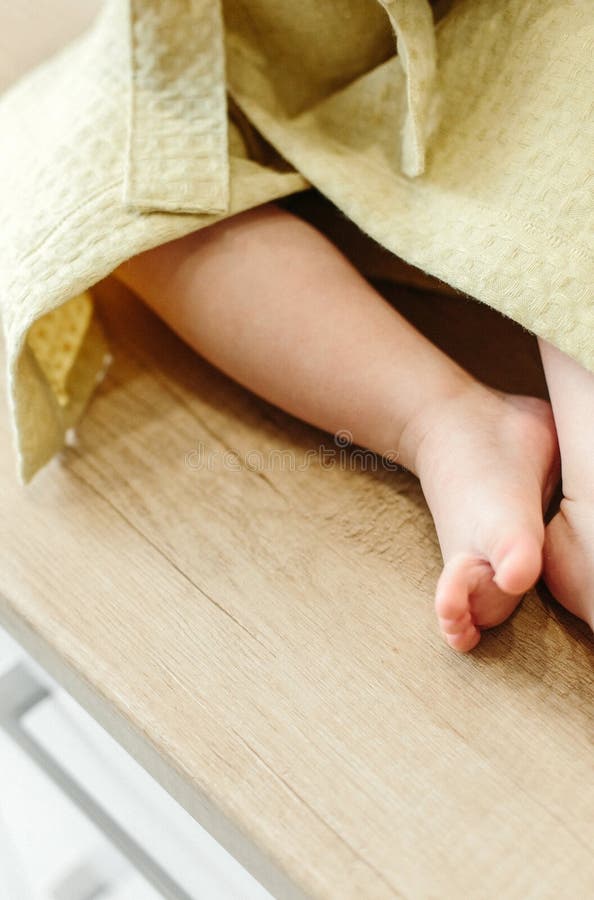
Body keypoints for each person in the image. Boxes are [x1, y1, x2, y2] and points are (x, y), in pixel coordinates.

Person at [1, 0, 591, 650]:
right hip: (254, 50)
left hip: (504, 36)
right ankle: (450, 423)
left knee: (575, 111)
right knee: (102, 177)